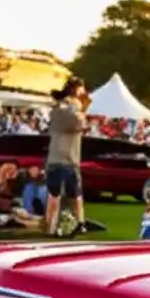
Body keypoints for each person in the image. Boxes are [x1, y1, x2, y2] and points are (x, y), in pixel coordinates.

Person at [44, 76, 91, 236]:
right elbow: (79, 124)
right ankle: (80, 222)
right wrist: (83, 112)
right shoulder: (74, 106)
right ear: (78, 89)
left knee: (53, 195)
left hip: (54, 158)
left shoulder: (56, 108)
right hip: (70, 159)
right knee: (76, 196)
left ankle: (50, 226)